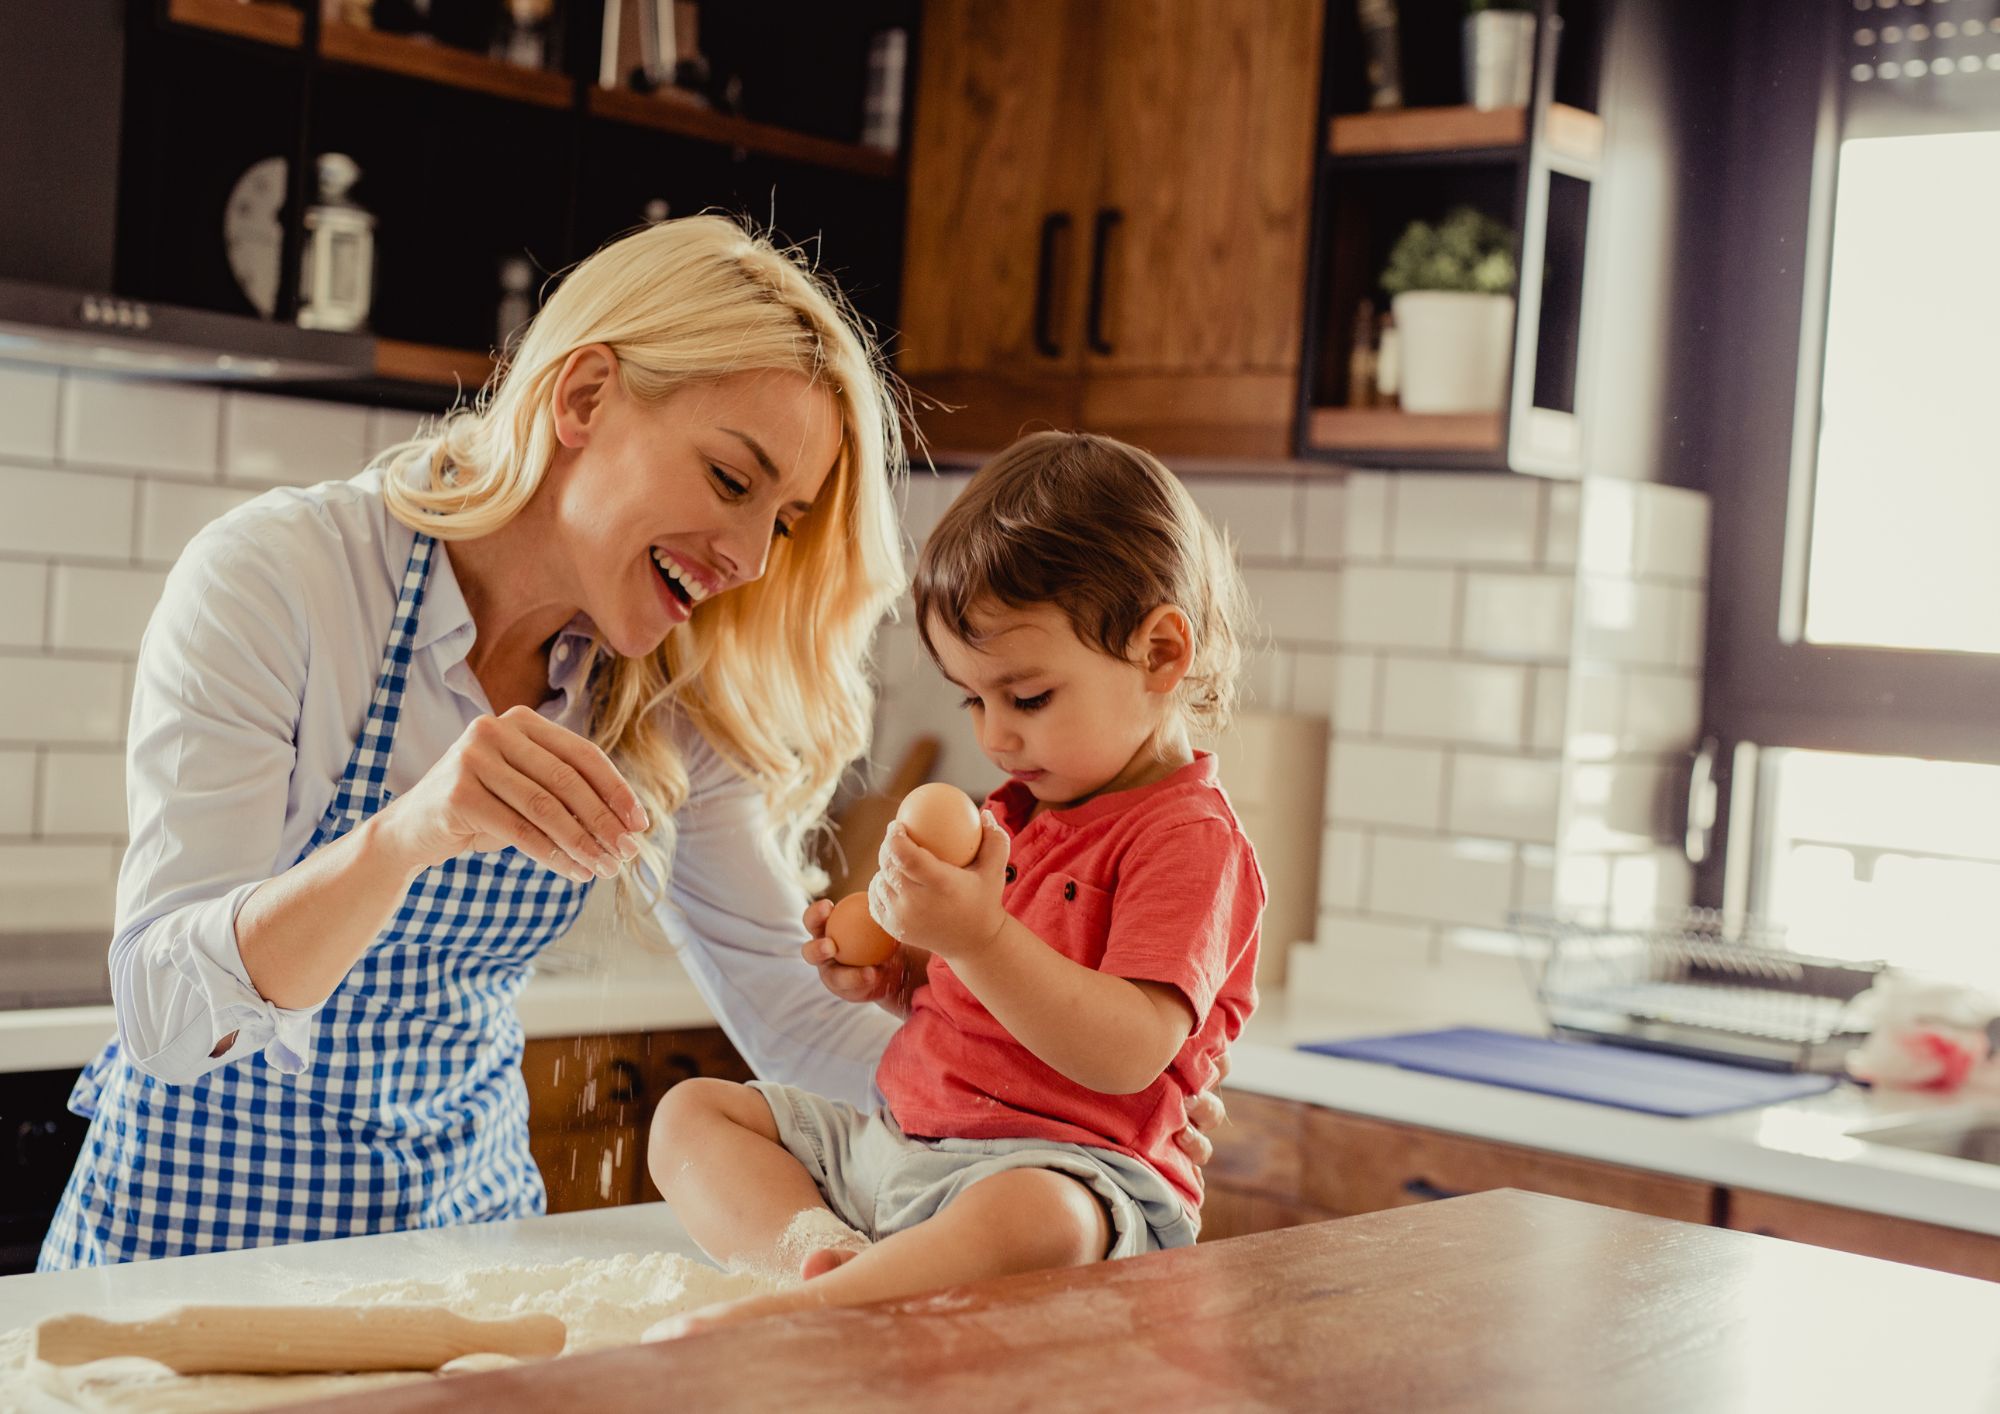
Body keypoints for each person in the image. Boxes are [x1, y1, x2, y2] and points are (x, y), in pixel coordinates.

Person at [39, 216, 917, 1269]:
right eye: (732, 481)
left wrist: (1076, 1116)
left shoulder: (663, 688)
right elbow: (161, 1015)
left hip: (465, 1255)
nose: (747, 558)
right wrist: (408, 833)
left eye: (782, 520)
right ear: (583, 396)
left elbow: (796, 1017)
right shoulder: (285, 578)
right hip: (192, 1258)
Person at [648, 430, 1264, 1332]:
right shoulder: (1017, 814)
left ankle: (817, 1312)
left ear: (1161, 655)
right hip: (902, 1148)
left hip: (1059, 1172)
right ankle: (821, 1258)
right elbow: (989, 1014)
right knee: (693, 1115)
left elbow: (1129, 1053)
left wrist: (975, 940)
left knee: (1043, 1220)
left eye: (1028, 697)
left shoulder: (1187, 841)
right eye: (974, 699)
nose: (994, 738)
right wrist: (909, 977)